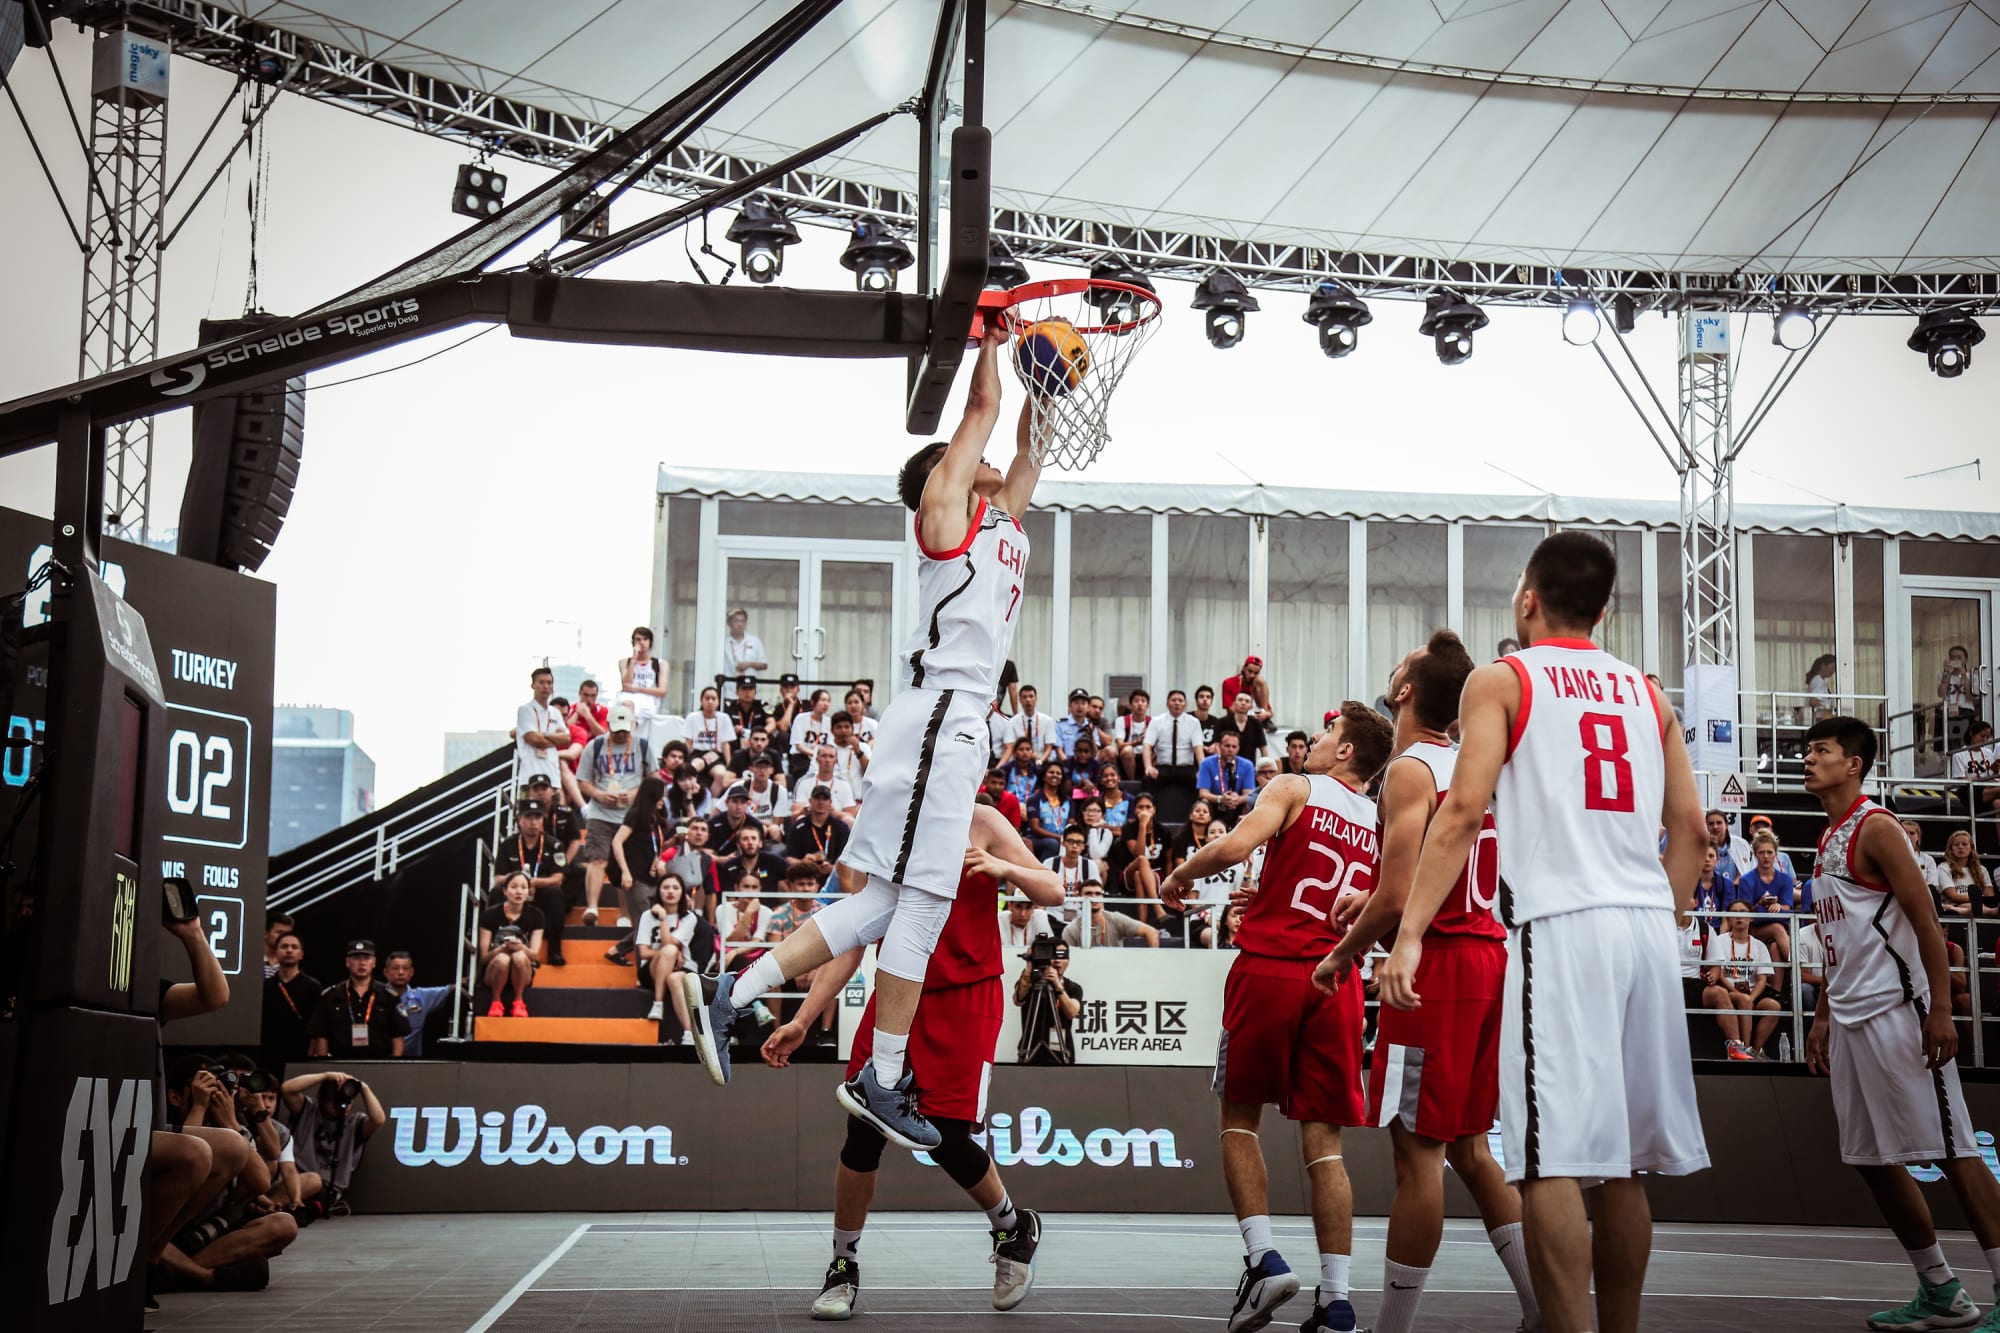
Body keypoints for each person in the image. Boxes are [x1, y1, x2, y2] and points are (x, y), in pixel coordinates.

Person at [690, 329, 1038, 1153]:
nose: (988, 461)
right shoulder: (943, 511)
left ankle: (733, 991)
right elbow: (985, 411)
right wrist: (992, 336)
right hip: (939, 719)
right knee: (921, 900)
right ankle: (881, 1072)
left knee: (885, 901)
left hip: (951, 725)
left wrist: (1048, 381)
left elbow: (1027, 445)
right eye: (969, 457)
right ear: (942, 478)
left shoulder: (999, 522)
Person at [1375, 531, 1710, 1333]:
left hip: (1561, 925)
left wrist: (1411, 931)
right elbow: (1693, 829)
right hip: (1644, 925)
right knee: (1626, 1168)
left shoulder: (1504, 677)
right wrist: (1659, 920)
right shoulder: (1647, 693)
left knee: (1551, 1159)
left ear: (1529, 598)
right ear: (1604, 606)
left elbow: (1461, 811)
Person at [1315, 631, 1544, 1333]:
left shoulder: (1411, 768)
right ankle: (1545, 1309)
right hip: (1490, 956)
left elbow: (1394, 902)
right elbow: (1410, 879)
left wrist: (1341, 954)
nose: (1395, 665)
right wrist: (1373, 895)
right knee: (1475, 1150)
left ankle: (1392, 1327)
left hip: (1440, 965)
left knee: (1419, 1155)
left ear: (1408, 689)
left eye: (1402, 662)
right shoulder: (1471, 764)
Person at [763, 803, 1066, 1319]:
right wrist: (805, 1017)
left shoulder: (982, 822)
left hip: (967, 998)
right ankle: (843, 1266)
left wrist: (1004, 870)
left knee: (946, 1134)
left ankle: (1013, 1228)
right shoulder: (878, 828)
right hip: (897, 999)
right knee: (863, 1128)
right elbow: (851, 936)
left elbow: (1053, 890)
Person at [1159, 704, 1393, 1333]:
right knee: (1325, 1144)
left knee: (1238, 1120)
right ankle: (1338, 1300)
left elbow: (1236, 844)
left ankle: (1263, 1260)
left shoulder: (1294, 787)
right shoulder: (1382, 820)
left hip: (1270, 970)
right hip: (1337, 980)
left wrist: (1179, 873)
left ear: (1345, 752)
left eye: (1326, 735)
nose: (1315, 741)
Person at [1801, 715, 2000, 1331]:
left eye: (1821, 750)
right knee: (1868, 1158)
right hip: (1852, 1017)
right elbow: (1841, 939)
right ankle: (1941, 1289)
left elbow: (1926, 923)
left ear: (1853, 764)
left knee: (1954, 1149)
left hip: (1900, 1012)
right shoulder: (1827, 836)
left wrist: (1941, 1008)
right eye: (1808, 749)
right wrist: (1823, 1014)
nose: (1808, 758)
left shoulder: (1877, 827)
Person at [576, 704, 650, 927]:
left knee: (624, 865)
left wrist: (636, 793)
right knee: (597, 858)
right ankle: (592, 907)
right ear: (608, 726)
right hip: (600, 813)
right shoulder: (595, 746)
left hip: (630, 815)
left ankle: (625, 914)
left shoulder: (642, 746)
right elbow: (582, 781)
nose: (621, 734)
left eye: (625, 730)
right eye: (617, 730)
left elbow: (654, 779)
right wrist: (598, 794)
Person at [279, 1070, 387, 1211]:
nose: (344, 1106)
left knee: (313, 1182)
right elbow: (287, 1089)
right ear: (323, 1100)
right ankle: (267, 1206)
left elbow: (378, 1120)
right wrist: (325, 1076)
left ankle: (265, 1206)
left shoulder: (354, 1123)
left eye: (348, 1101)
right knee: (306, 1180)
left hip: (327, 1190)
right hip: (294, 1178)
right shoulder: (308, 1110)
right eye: (336, 1101)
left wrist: (363, 1087)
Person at [494, 796, 570, 965]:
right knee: (495, 893)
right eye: (528, 817)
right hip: (514, 895)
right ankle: (496, 944)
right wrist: (518, 881)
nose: (533, 822)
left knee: (556, 894)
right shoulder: (508, 844)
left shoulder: (555, 845)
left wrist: (532, 882)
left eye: (537, 817)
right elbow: (498, 878)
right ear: (519, 819)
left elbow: (558, 878)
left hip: (540, 895)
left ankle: (554, 950)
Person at [607, 775, 672, 965]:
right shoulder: (635, 815)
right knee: (646, 924)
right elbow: (617, 841)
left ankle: (617, 950)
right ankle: (641, 973)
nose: (663, 799)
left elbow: (652, 846)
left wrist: (672, 843)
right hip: (637, 878)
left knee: (649, 922)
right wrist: (626, 872)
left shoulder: (656, 819)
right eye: (661, 795)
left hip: (652, 877)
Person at [306, 940, 409, 1058]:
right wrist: (324, 1068)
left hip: (379, 1065)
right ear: (347, 962)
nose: (362, 963)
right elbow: (321, 1035)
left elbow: (397, 1037)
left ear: (374, 962)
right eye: (356, 958)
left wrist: (393, 1067)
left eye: (366, 958)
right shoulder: (331, 995)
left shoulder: (389, 996)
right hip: (340, 1067)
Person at [1706, 899, 1781, 1060]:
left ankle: (1755, 1050)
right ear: (1729, 918)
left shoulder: (1759, 945)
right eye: (1735, 913)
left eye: (1743, 913)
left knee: (1773, 1006)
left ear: (1751, 918)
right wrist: (1739, 994)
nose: (1739, 917)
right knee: (1744, 1001)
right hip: (1728, 991)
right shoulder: (1720, 941)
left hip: (1753, 993)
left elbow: (1762, 979)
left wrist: (1752, 998)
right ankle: (1742, 1050)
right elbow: (1719, 973)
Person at [639, 873, 709, 1034]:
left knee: (674, 977)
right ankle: (658, 1003)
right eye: (665, 887)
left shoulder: (689, 918)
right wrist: (668, 952)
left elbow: (668, 943)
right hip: (651, 971)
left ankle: (688, 1034)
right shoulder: (647, 916)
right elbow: (643, 952)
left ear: (682, 893)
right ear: (659, 892)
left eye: (675, 888)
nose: (670, 891)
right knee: (670, 950)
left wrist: (663, 918)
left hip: (680, 968)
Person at [479, 873, 546, 1016]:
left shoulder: (537, 915)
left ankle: (519, 1001)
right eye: (514, 887)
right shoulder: (490, 914)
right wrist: (501, 949)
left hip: (522, 969)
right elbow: (483, 958)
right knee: (503, 959)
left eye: (523, 887)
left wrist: (521, 947)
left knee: (519, 956)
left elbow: (534, 955)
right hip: (494, 969)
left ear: (529, 891)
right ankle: (496, 1001)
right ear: (504, 891)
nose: (519, 891)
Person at [1143, 688, 1205, 821]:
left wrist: (1202, 770)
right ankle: (1149, 818)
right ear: (1167, 703)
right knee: (1148, 780)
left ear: (1185, 704)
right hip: (1163, 767)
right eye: (1174, 700)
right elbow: (1147, 745)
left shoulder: (1193, 722)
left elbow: (1198, 748)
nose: (1177, 703)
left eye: (1180, 701)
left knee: (1202, 783)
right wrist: (1148, 766)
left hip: (1186, 767)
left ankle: (1198, 818)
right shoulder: (1156, 721)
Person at [261, 931, 320, 1071]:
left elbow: (316, 1028)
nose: (289, 950)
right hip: (268, 1054)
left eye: (294, 947)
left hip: (300, 1054)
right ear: (276, 952)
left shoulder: (313, 987)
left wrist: (310, 1058)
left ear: (301, 954)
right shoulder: (265, 986)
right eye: (284, 946)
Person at [381, 952, 455, 1059]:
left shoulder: (421, 997)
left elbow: (448, 990)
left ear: (411, 972)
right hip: (380, 1059)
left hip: (412, 1062)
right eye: (395, 968)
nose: (401, 972)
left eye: (405, 968)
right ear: (386, 972)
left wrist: (464, 982)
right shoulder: (376, 995)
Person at [1742, 829, 1797, 962]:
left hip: (1781, 929)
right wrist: (1761, 904)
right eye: (1761, 853)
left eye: (1769, 852)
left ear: (1776, 854)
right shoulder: (1747, 880)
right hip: (1754, 929)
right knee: (1776, 929)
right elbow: (1746, 913)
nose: (1765, 856)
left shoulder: (1785, 879)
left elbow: (1787, 908)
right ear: (1755, 855)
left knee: (1774, 947)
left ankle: (1779, 983)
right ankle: (1799, 970)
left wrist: (1778, 906)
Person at [515, 666, 567, 793]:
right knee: (528, 812)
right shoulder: (525, 710)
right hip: (529, 778)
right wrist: (555, 738)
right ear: (533, 685)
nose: (545, 686)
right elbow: (533, 738)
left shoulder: (555, 713)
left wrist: (543, 735)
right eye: (541, 682)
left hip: (552, 778)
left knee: (554, 812)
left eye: (549, 683)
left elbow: (566, 739)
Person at [1063, 881, 1159, 948]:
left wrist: (1152, 963)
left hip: (1115, 971)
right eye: (1088, 893)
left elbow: (1152, 932)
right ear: (1080, 898)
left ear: (1102, 897)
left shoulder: (1115, 919)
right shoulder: (1071, 930)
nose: (1094, 897)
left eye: (1097, 894)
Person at [785, 782, 852, 877]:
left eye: (825, 799)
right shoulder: (798, 827)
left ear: (830, 803)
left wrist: (833, 868)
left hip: (833, 875)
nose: (821, 802)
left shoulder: (840, 827)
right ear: (810, 801)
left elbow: (848, 859)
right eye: (817, 798)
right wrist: (803, 863)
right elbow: (789, 858)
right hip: (805, 875)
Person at [1196, 731, 1256, 828]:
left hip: (1237, 805)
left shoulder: (1247, 765)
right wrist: (1221, 799)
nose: (1230, 750)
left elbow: (1248, 794)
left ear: (1238, 748)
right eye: (1227, 746)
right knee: (1203, 801)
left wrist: (1237, 800)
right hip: (1214, 804)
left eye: (1234, 747)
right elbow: (1203, 793)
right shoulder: (1206, 763)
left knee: (1250, 802)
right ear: (1219, 746)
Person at [1023, 760, 1071, 862]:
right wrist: (1059, 838)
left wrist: (1066, 838)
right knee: (1052, 843)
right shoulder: (1034, 799)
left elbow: (1071, 822)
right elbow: (1035, 828)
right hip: (1038, 839)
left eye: (1058, 773)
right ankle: (1044, 872)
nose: (1055, 775)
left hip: (1063, 840)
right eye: (1051, 772)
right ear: (1044, 777)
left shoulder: (1068, 801)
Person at [619, 626, 667, 725]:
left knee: (635, 712)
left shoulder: (660, 664)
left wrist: (636, 688)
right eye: (638, 639)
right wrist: (633, 659)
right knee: (626, 706)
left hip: (648, 700)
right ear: (633, 642)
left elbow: (662, 691)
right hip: (627, 699)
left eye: (645, 639)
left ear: (650, 642)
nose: (642, 642)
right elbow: (626, 685)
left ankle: (630, 735)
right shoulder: (625, 662)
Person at [1942, 829, 1994, 917]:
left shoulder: (1982, 870)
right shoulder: (1944, 868)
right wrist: (1977, 900)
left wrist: (1979, 901)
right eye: (1956, 844)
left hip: (1981, 905)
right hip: (1956, 905)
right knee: (1973, 907)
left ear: (1971, 848)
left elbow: (1989, 895)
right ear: (1951, 848)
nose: (1960, 847)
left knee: (1975, 908)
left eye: (1964, 844)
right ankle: (1993, 912)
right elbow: (1952, 895)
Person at [683, 685, 738, 767]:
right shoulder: (692, 717)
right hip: (697, 753)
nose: (710, 701)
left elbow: (725, 744)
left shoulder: (724, 718)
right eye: (707, 698)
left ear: (718, 702)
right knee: (696, 765)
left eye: (713, 699)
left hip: (716, 754)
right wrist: (683, 760)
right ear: (701, 701)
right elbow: (688, 742)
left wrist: (729, 765)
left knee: (720, 774)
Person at [1213, 690, 1271, 763]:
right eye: (1240, 700)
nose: (1243, 703)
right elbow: (1216, 746)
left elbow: (1263, 748)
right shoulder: (1222, 722)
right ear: (1234, 703)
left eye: (1247, 701)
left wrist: (1266, 765)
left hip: (1249, 767)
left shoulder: (1256, 724)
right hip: (1226, 765)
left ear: (1251, 706)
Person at [1009, 684, 1057, 761]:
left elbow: (1049, 748)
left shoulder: (1048, 721)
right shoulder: (1012, 722)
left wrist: (1040, 761)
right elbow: (1010, 747)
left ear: (1036, 699)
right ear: (1020, 700)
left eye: (1031, 696)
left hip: (1042, 760)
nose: (1028, 700)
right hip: (1020, 762)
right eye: (1024, 697)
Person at [1221, 655, 1272, 723]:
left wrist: (1266, 714)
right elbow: (1230, 708)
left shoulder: (1257, 685)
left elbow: (1270, 712)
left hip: (1255, 722)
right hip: (1235, 721)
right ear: (1243, 668)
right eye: (1250, 671)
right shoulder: (1229, 682)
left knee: (1261, 681)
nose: (1252, 675)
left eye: (1256, 673)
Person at [1114, 688, 1152, 779]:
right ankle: (1132, 781)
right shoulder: (1122, 720)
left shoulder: (1153, 722)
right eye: (1136, 701)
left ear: (1147, 706)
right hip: (1128, 756)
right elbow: (1120, 745)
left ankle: (1150, 779)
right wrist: (1138, 742)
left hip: (1146, 755)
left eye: (1143, 701)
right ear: (1130, 705)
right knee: (1128, 750)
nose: (1140, 704)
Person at [722, 606, 770, 674]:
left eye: (742, 621)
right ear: (728, 623)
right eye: (736, 621)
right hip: (729, 683)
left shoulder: (754, 641)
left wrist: (749, 664)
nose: (740, 624)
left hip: (749, 683)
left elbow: (764, 665)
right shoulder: (723, 642)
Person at [260, 911, 295, 979]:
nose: (283, 937)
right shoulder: (252, 959)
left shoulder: (291, 963)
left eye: (287, 934)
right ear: (266, 933)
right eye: (279, 932)